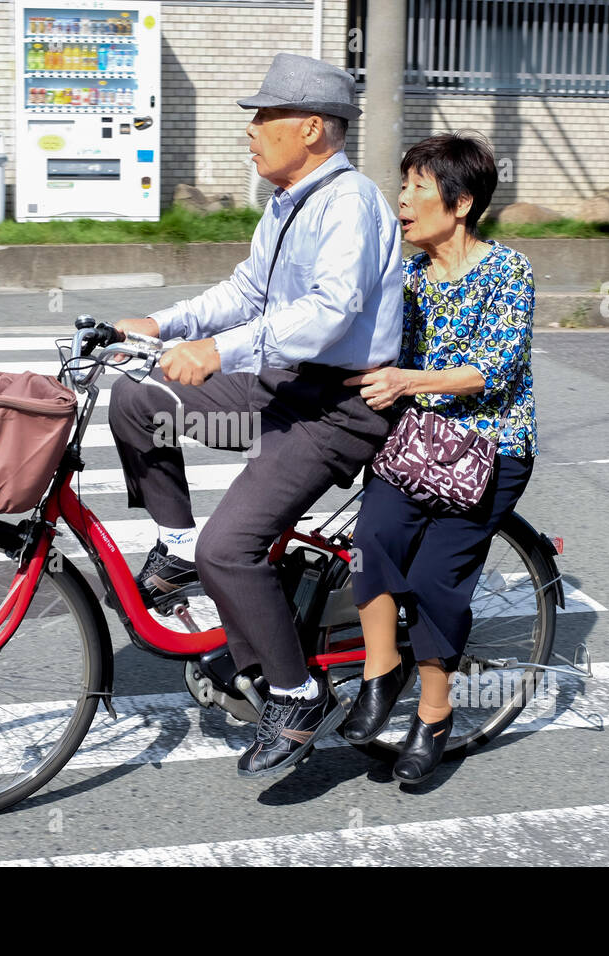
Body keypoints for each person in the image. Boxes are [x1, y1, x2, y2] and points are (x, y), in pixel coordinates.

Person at [109, 53, 402, 778]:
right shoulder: (287, 203)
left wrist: (220, 351)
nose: (251, 130)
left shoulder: (349, 203)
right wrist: (165, 324)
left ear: (310, 129)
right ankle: (175, 548)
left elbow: (330, 313)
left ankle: (296, 694)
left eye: (264, 116)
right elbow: (246, 293)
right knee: (140, 397)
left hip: (334, 408)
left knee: (230, 549)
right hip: (278, 383)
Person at [340, 132, 537, 785]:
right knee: (371, 539)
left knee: (432, 582)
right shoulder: (407, 279)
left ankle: (434, 713)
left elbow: (493, 370)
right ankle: (379, 672)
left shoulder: (508, 271)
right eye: (403, 188)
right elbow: (365, 346)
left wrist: (405, 381)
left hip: (491, 448)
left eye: (418, 188)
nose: (402, 201)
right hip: (420, 446)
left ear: (461, 203)